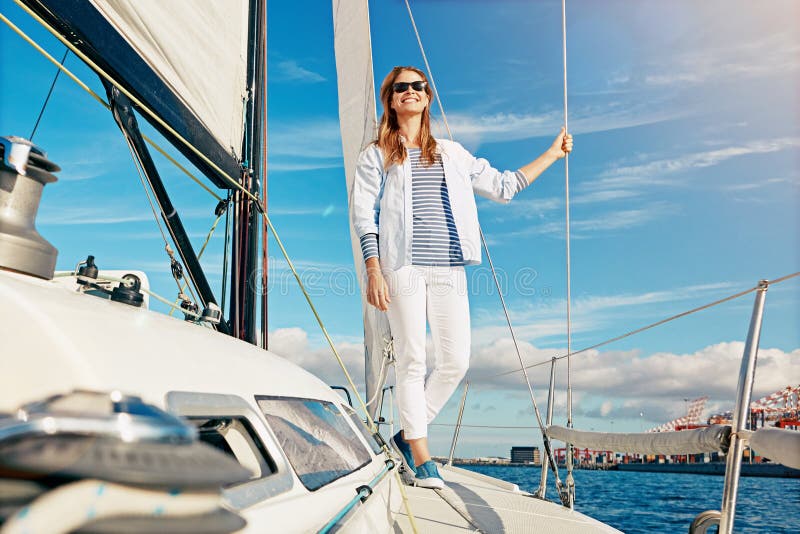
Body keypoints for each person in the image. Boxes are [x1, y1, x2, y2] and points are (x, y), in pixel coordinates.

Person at [351, 66, 573, 489]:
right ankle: (421, 456)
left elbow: (505, 186)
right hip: (403, 268)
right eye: (402, 87)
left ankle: (404, 437)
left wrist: (553, 153)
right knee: (413, 358)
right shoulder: (376, 154)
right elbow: (365, 213)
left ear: (428, 97)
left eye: (419, 86)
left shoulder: (453, 153)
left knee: (455, 361)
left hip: (450, 266)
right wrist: (373, 268)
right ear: (391, 99)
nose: (411, 91)